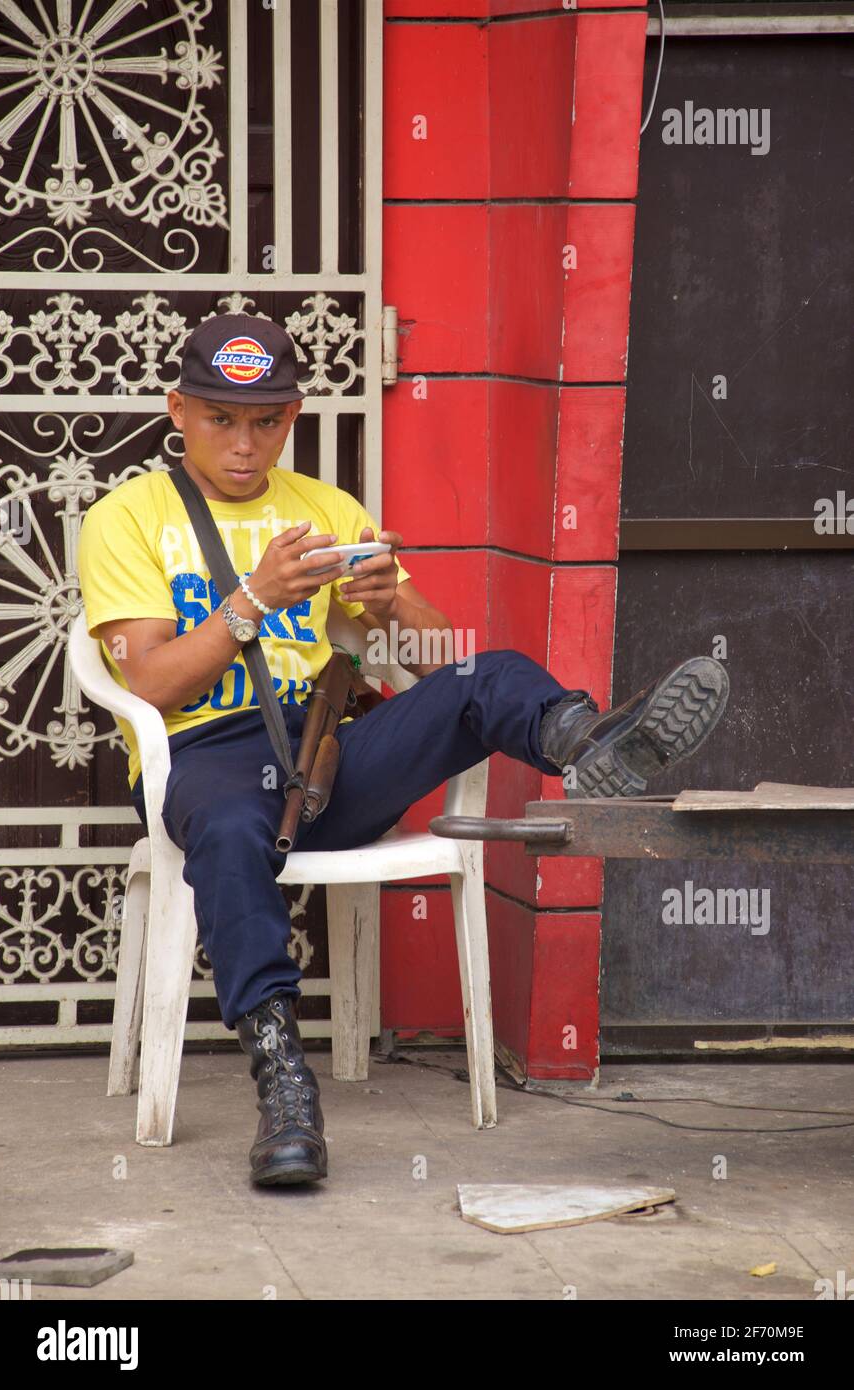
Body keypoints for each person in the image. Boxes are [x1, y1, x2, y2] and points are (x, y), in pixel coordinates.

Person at [77, 312, 729, 1188]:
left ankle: (589, 744)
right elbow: (150, 685)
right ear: (178, 411)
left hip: (322, 760)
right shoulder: (128, 518)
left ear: (293, 416)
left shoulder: (326, 510)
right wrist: (253, 599)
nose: (244, 444)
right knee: (230, 834)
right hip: (206, 764)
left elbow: (435, 658)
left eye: (265, 422)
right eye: (221, 419)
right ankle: (283, 1084)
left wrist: (387, 609)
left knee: (484, 673)